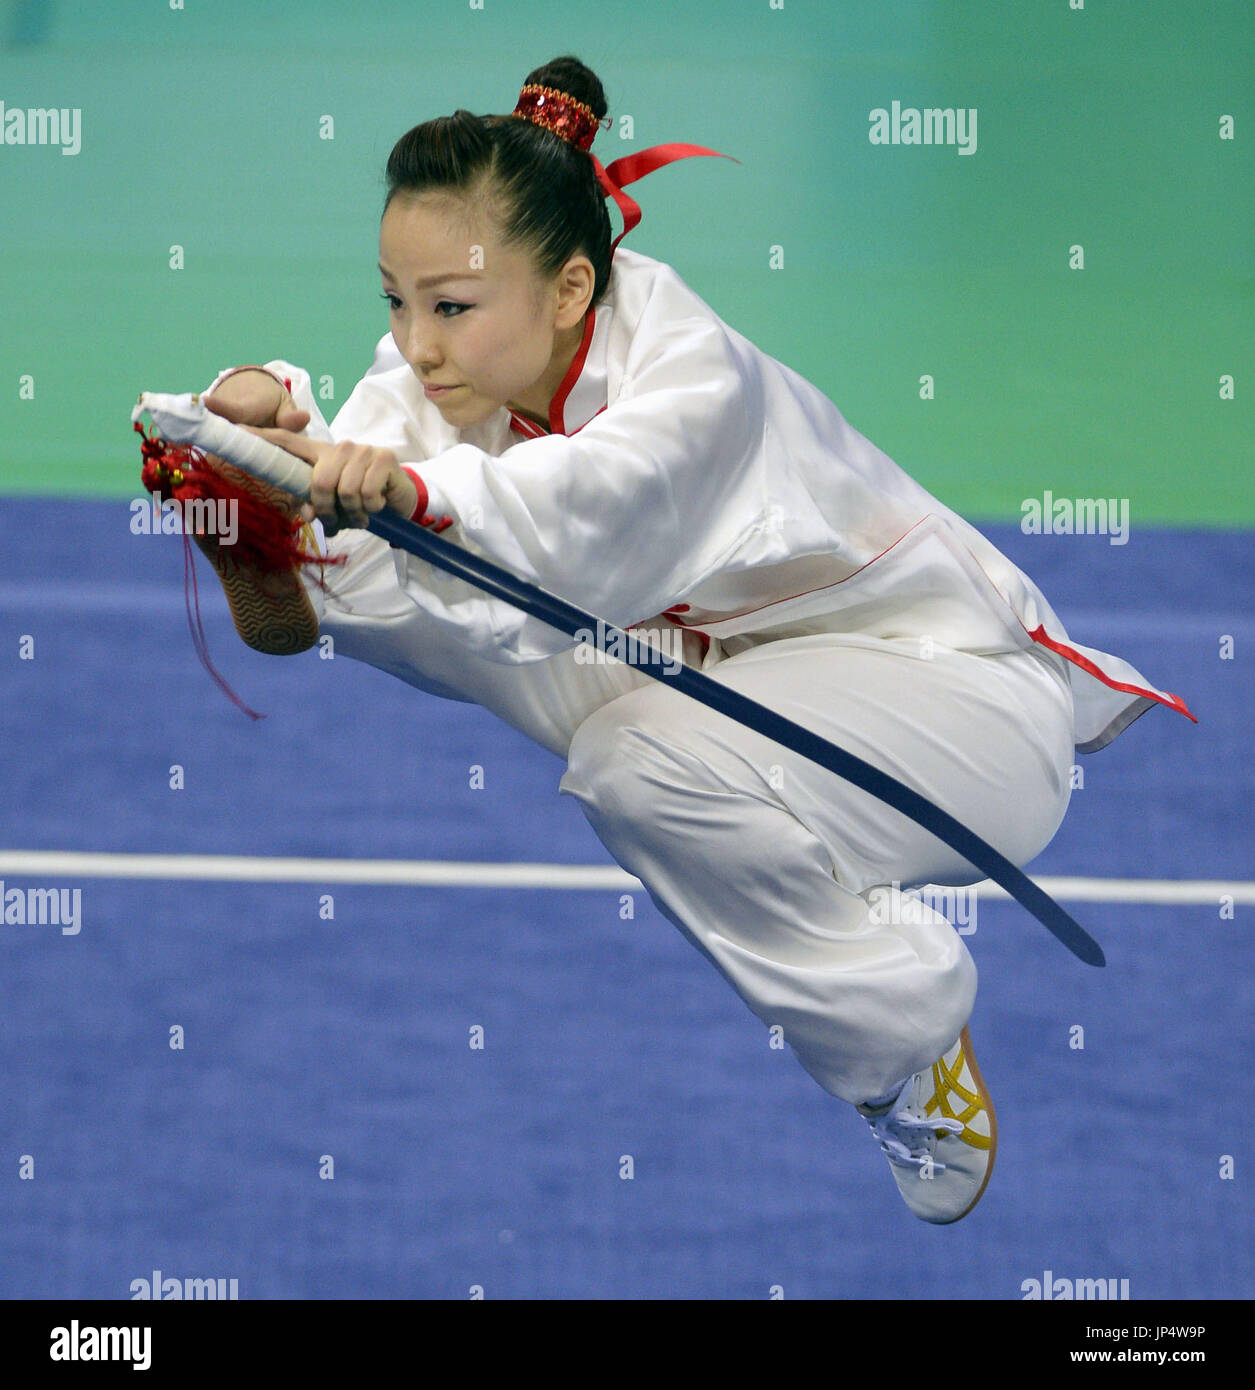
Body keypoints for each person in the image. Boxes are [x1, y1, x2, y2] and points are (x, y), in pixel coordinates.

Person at [195, 55, 1194, 1225]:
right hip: (739, 686)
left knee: (615, 738)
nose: (416, 344)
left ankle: (904, 1038)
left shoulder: (688, 380)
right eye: (394, 301)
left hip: (955, 722)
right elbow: (387, 470)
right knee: (390, 565)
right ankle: (289, 563)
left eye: (450, 306)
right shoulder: (447, 375)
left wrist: (397, 492)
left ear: (572, 289)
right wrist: (266, 436)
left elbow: (574, 519)